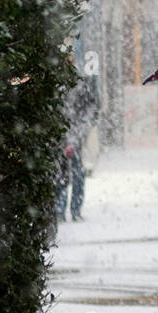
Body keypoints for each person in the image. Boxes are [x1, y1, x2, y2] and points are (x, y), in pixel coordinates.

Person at [56, 63, 100, 223]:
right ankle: (65, 209)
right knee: (65, 173)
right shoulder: (74, 81)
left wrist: (75, 137)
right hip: (64, 137)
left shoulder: (81, 81)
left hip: (72, 136)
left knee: (72, 173)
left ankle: (69, 209)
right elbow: (91, 108)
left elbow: (91, 108)